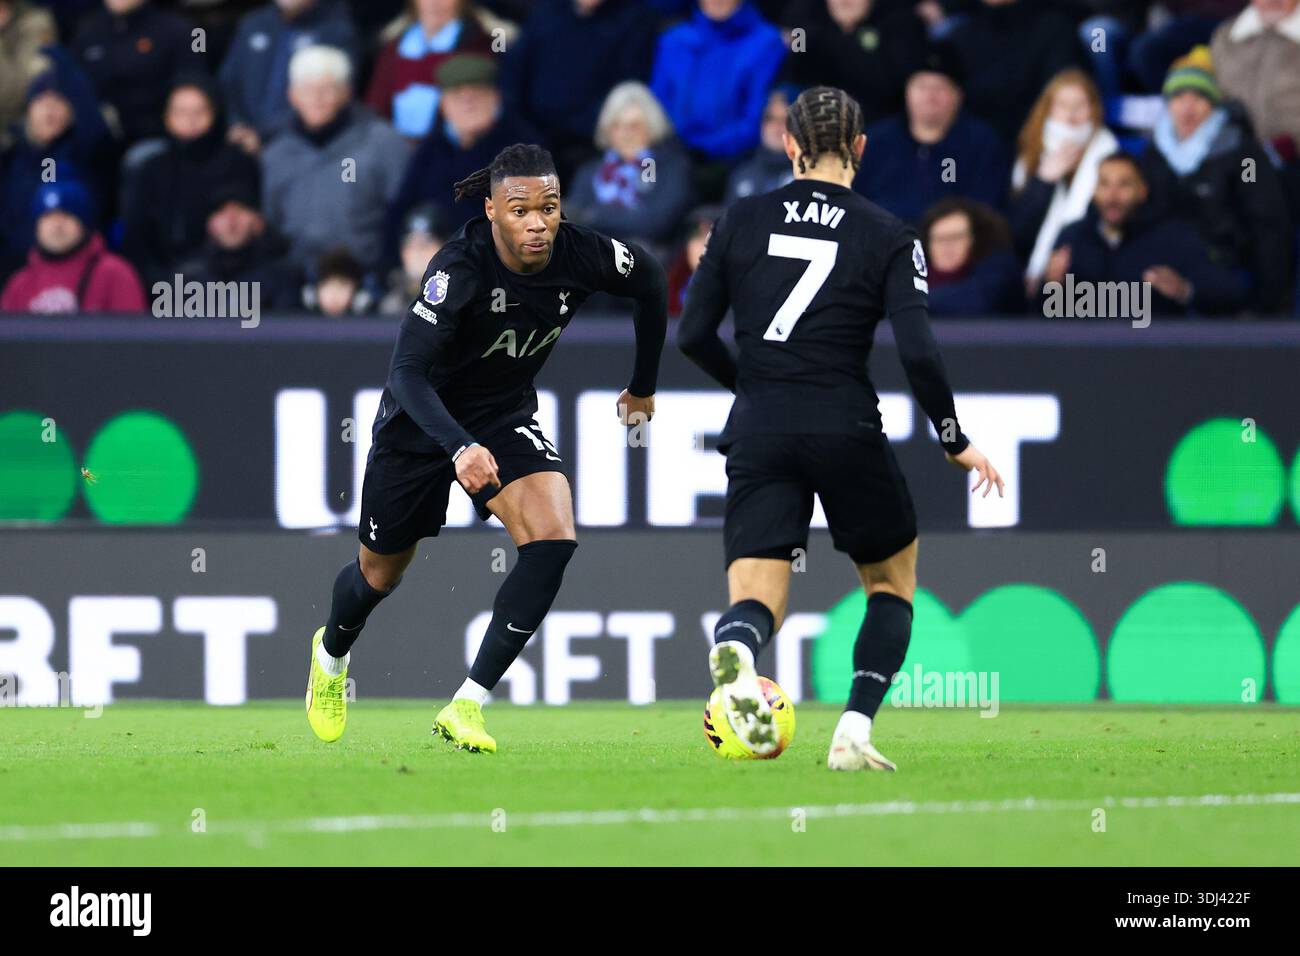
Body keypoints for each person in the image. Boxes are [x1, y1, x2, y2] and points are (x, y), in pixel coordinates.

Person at [676, 86, 1003, 771]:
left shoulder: (740, 217)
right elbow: (917, 351)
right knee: (890, 584)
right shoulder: (887, 232)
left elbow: (692, 334)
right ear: (860, 148)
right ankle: (854, 726)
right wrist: (952, 436)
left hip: (761, 426)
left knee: (757, 595)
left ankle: (736, 645)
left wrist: (756, 388)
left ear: (789, 145)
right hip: (845, 423)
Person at [304, 143, 668, 751]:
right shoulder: (458, 270)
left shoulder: (582, 253)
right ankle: (331, 653)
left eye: (549, 208)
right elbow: (407, 374)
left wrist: (644, 387)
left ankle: (467, 704)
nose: (537, 224)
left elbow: (651, 280)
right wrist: (457, 447)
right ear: (492, 209)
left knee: (553, 540)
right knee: (378, 576)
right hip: (422, 424)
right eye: (520, 210)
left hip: (502, 414)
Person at [1138, 46, 1293, 313]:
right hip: (1162, 278)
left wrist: (1265, 303)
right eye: (1178, 97)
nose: (1188, 108)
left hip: (1226, 276)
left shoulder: (1244, 156)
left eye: (1198, 98)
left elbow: (1267, 223)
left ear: (1213, 104)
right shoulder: (1153, 154)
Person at [261, 45, 410, 276]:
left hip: (369, 277)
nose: (318, 99)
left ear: (346, 92)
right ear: (292, 95)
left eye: (328, 89)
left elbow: (404, 214)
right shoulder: (275, 153)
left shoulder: (384, 142)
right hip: (294, 282)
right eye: (308, 90)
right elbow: (269, 222)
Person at [1048, 152, 1249, 316]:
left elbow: (1230, 291)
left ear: (1142, 191)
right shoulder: (1073, 236)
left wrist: (1184, 290)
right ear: (1094, 191)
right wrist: (1051, 286)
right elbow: (1045, 314)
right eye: (1104, 184)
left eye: (1124, 184)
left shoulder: (1173, 237)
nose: (1112, 195)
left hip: (1154, 356)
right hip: (1086, 354)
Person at [122, 74, 260, 287]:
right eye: (181, 112)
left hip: (223, 283)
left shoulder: (238, 163)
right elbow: (137, 235)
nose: (190, 119)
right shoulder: (152, 168)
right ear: (167, 116)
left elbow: (247, 228)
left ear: (215, 113)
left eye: (199, 111)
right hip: (159, 286)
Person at [852, 44, 1007, 223]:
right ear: (907, 92)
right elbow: (853, 203)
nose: (930, 97)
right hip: (882, 244)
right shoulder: (877, 141)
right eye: (921, 87)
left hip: (952, 245)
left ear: (958, 95)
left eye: (940, 88)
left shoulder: (981, 145)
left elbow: (987, 213)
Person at [389, 54, 540, 238]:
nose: (468, 105)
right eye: (458, 97)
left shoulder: (523, 147)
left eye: (476, 95)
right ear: (443, 105)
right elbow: (401, 211)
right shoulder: (430, 148)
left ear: (495, 98)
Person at [1010, 69, 1118, 295]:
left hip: (1087, 274)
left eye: (1080, 105)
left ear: (1094, 110)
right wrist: (1044, 181)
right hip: (1025, 272)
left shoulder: (1108, 154)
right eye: (1062, 105)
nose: (1071, 115)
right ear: (1047, 109)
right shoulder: (1029, 154)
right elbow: (1016, 232)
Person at [650, 0, 786, 163]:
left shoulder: (767, 42)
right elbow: (658, 105)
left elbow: (758, 113)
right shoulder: (673, 41)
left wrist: (705, 148)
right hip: (677, 159)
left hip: (739, 162)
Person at [564, 81, 694, 247]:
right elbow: (573, 224)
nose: (625, 135)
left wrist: (593, 215)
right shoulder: (589, 172)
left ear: (651, 127)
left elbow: (654, 225)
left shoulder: (667, 168)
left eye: (634, 126)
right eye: (616, 126)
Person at [219, 0, 359, 148]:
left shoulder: (338, 30)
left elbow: (335, 96)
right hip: (242, 142)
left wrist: (263, 136)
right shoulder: (253, 23)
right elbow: (228, 82)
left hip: (301, 146)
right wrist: (236, 124)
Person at [2, 180, 145, 313]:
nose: (57, 226)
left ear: (84, 225)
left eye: (66, 216)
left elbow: (134, 333)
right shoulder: (19, 283)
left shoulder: (114, 273)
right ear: (36, 227)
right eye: (48, 217)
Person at [71, 0, 203, 144]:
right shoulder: (87, 31)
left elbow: (195, 87)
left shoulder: (179, 30)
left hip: (160, 139)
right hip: (98, 140)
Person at [779, 0, 927, 125]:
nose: (845, 1)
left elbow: (892, 85)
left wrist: (848, 35)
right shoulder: (806, 26)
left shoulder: (901, 24)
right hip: (820, 125)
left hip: (879, 124)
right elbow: (796, 74)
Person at [364, 0, 493, 141]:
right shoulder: (392, 47)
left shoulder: (481, 45)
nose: (434, 3)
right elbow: (376, 105)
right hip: (394, 145)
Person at [175, 184, 300, 312]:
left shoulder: (283, 276)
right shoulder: (188, 278)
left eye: (240, 209)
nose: (231, 219)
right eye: (222, 211)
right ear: (210, 225)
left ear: (259, 222)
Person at [919, 197, 1023, 315]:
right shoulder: (915, 274)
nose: (946, 245)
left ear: (976, 239)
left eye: (956, 237)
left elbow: (979, 301)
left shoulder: (998, 270)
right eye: (939, 239)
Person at [723, 87, 795, 204]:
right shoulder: (741, 175)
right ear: (761, 125)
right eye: (770, 118)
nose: (777, 126)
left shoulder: (809, 175)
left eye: (786, 120)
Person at [379, 204, 447, 314]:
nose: (417, 252)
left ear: (444, 248)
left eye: (425, 244)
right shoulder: (387, 301)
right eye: (410, 244)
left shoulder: (459, 298)